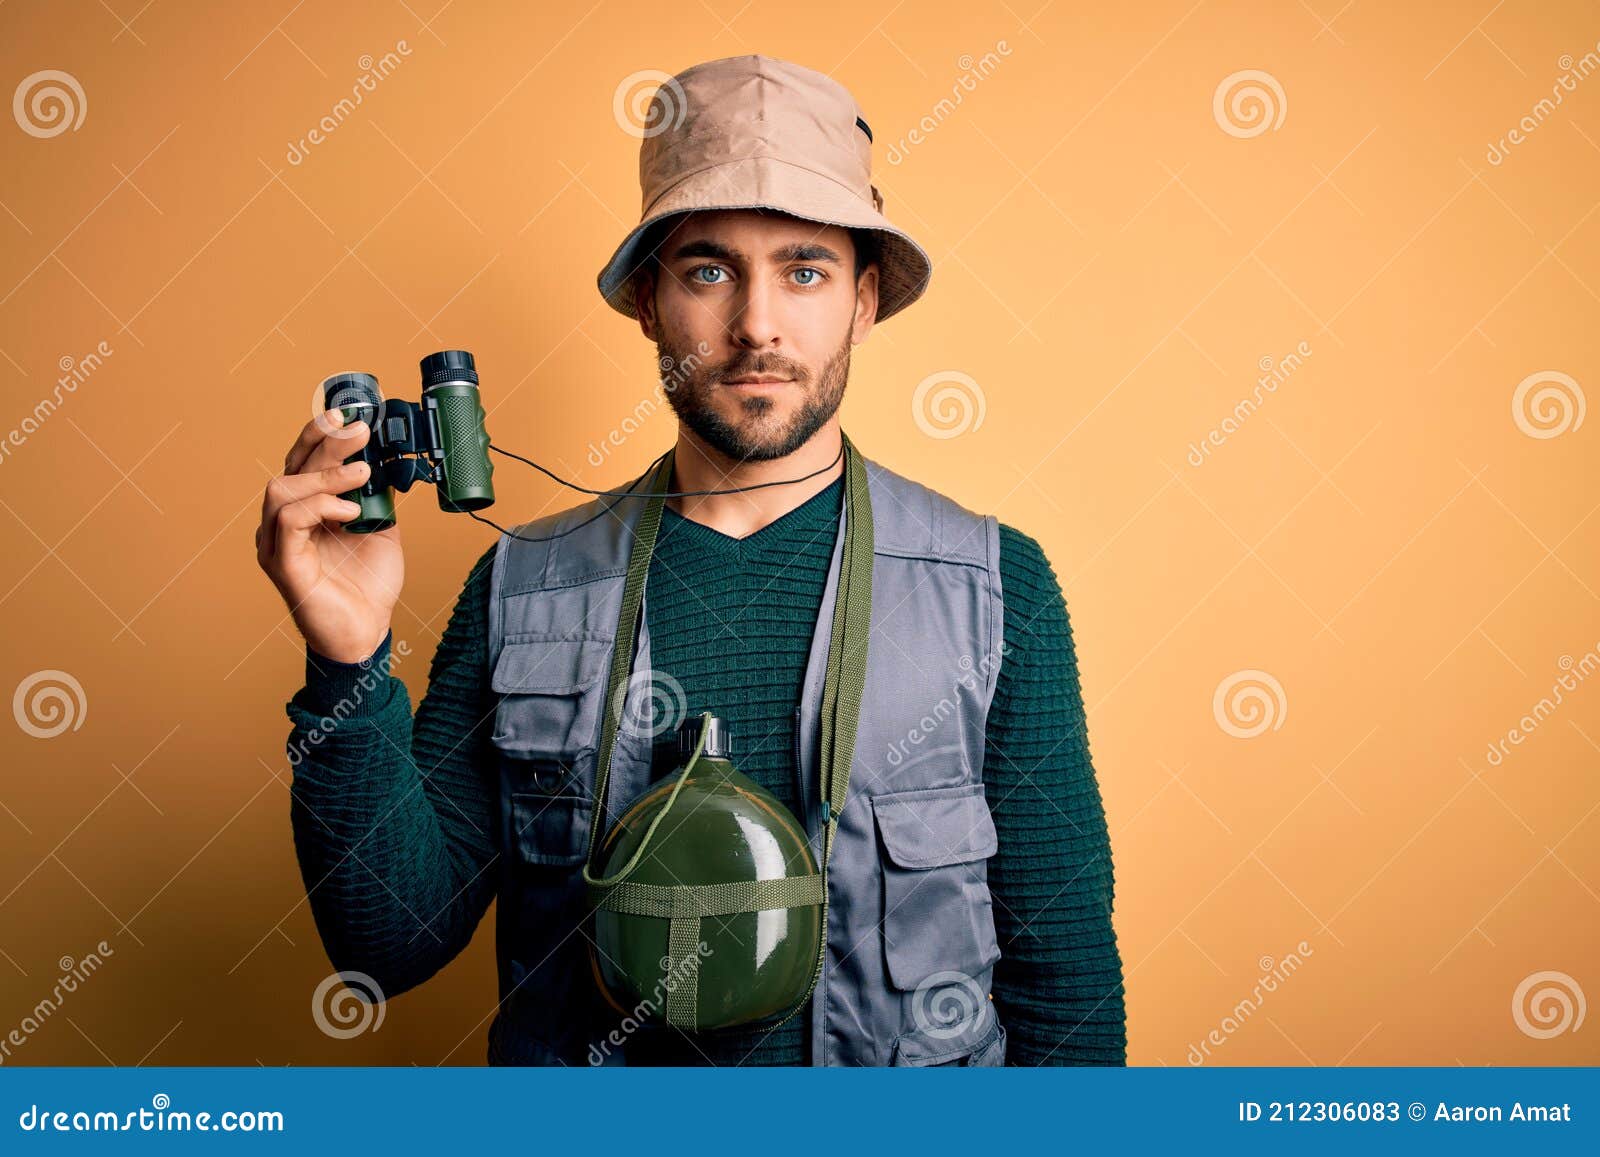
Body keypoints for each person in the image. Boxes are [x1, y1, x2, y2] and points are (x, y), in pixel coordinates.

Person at [255, 54, 1126, 1066]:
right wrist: (348, 663)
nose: (756, 323)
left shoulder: (994, 590)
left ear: (865, 300)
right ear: (645, 301)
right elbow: (386, 940)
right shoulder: (518, 589)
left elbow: (1063, 989)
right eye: (709, 269)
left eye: (805, 268)